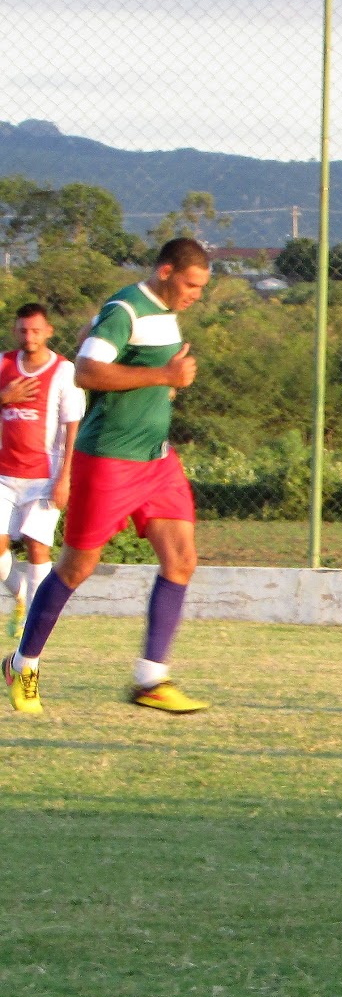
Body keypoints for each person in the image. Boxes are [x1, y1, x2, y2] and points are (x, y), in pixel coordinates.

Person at [4, 238, 209, 715]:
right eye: (191, 284)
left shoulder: (163, 311)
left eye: (202, 286)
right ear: (165, 271)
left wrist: (163, 385)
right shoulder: (126, 308)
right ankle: (23, 662)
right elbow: (87, 370)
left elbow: (101, 346)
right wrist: (165, 379)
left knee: (181, 559)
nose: (197, 294)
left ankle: (150, 680)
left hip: (157, 460)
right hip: (110, 460)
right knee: (76, 567)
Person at [0, 305, 87, 638]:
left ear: (48, 331)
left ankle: (32, 629)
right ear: (16, 331)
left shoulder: (63, 371)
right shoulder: (4, 364)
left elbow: (72, 424)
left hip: (43, 475)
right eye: (23, 330)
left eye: (36, 331)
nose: (29, 336)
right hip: (5, 473)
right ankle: (20, 594)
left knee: (38, 547)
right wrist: (4, 397)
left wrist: (65, 476)